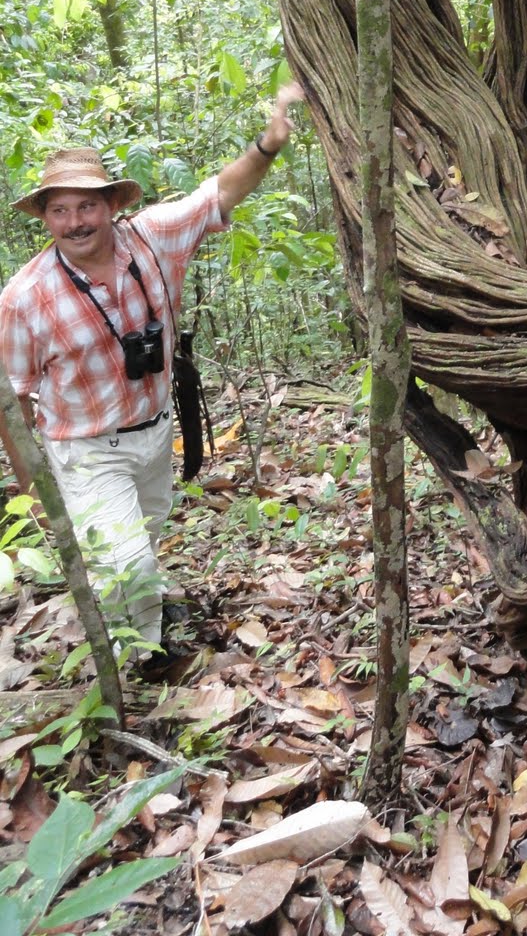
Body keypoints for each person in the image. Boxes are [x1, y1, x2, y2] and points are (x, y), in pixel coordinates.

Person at [0, 82, 305, 664]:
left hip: (154, 430)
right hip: (84, 448)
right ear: (44, 218)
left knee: (144, 536)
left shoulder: (153, 238)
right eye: (58, 209)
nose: (74, 221)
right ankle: (139, 664)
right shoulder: (25, 296)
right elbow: (12, 399)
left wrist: (268, 144)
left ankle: (134, 624)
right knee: (131, 562)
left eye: (86, 205)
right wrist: (31, 484)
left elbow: (219, 193)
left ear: (111, 205)